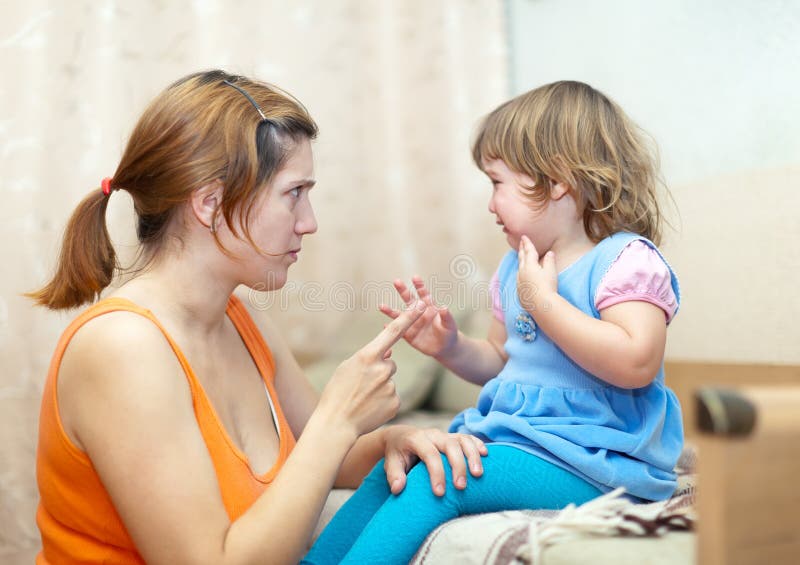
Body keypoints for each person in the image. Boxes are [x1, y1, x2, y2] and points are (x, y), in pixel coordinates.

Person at [29, 69, 488, 565]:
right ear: (211, 204)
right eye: (294, 193)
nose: (309, 222)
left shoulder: (241, 320)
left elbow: (323, 459)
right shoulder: (122, 348)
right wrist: (337, 416)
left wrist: (390, 441)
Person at [303, 80, 682, 564]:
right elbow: (503, 361)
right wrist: (450, 346)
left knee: (438, 481)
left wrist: (543, 302)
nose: (490, 203)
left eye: (497, 182)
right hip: (523, 440)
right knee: (397, 464)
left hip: (594, 460)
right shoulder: (515, 268)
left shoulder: (623, 260)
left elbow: (636, 362)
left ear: (557, 179)